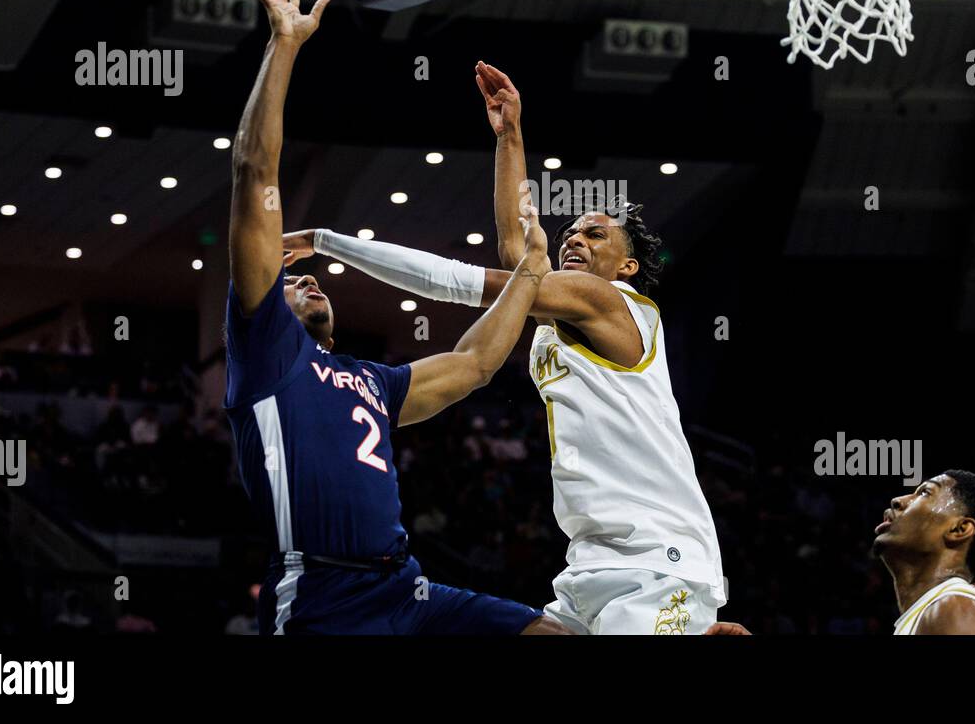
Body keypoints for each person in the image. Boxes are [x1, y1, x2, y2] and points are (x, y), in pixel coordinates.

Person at [282, 61, 747, 635]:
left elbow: (457, 281)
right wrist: (509, 136)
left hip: (658, 557)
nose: (575, 237)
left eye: (595, 234)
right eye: (571, 231)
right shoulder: (563, 312)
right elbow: (515, 252)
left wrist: (330, 242)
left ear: (626, 266)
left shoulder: (612, 302)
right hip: (590, 560)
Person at [226, 0, 567, 635]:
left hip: (406, 587)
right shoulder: (265, 349)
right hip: (321, 592)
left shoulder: (369, 381)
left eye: (308, 278)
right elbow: (253, 171)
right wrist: (285, 47)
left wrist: (530, 272)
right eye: (293, 282)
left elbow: (472, 365)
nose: (308, 281)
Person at [872, 470, 975, 635]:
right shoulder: (936, 612)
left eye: (925, 492)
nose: (897, 501)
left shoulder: (955, 609)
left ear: (959, 529)